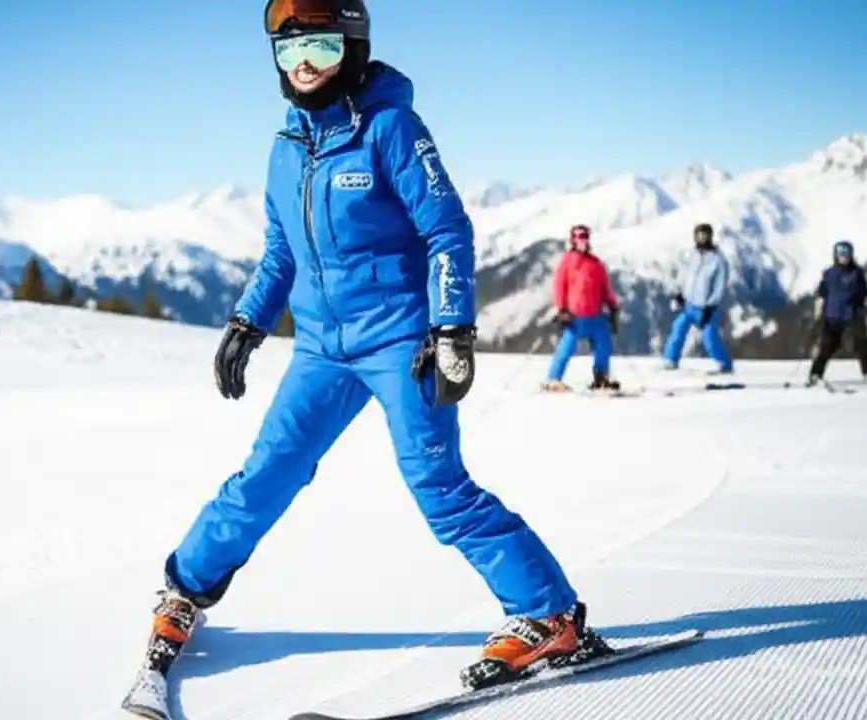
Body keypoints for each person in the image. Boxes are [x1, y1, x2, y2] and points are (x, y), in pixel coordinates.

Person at [123, 2, 589, 714]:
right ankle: (185, 588)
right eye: (289, 50)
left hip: (402, 342)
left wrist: (451, 327)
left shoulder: (391, 128)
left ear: (353, 47)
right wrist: (249, 319)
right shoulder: (286, 147)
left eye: (320, 45)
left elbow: (447, 230)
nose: (305, 63)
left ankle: (547, 612)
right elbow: (281, 252)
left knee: (438, 486)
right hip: (320, 349)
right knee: (267, 473)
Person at [542, 225, 621, 393]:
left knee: (603, 344)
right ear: (573, 240)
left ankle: (601, 377)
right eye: (579, 237)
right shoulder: (567, 261)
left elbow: (605, 288)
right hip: (575, 316)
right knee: (567, 347)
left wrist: (613, 306)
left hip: (595, 315)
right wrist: (562, 309)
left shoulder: (596, 264)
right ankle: (554, 378)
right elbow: (560, 286)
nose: (582, 240)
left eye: (585, 236)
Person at [662, 223, 734, 374]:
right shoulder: (692, 256)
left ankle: (725, 364)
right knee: (678, 329)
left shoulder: (718, 260)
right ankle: (670, 360)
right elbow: (686, 278)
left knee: (710, 339)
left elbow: (719, 286)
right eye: (699, 236)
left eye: (704, 236)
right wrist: (680, 295)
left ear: (710, 237)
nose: (701, 239)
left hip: (705, 308)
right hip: (689, 304)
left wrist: (710, 305)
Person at [807, 240, 867, 387]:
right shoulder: (829, 273)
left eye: (846, 254)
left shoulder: (857, 273)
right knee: (827, 346)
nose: (844, 257)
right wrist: (819, 307)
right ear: (835, 255)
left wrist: (864, 305)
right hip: (832, 314)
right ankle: (815, 375)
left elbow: (865, 292)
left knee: (862, 344)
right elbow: (822, 292)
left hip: (853, 314)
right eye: (841, 254)